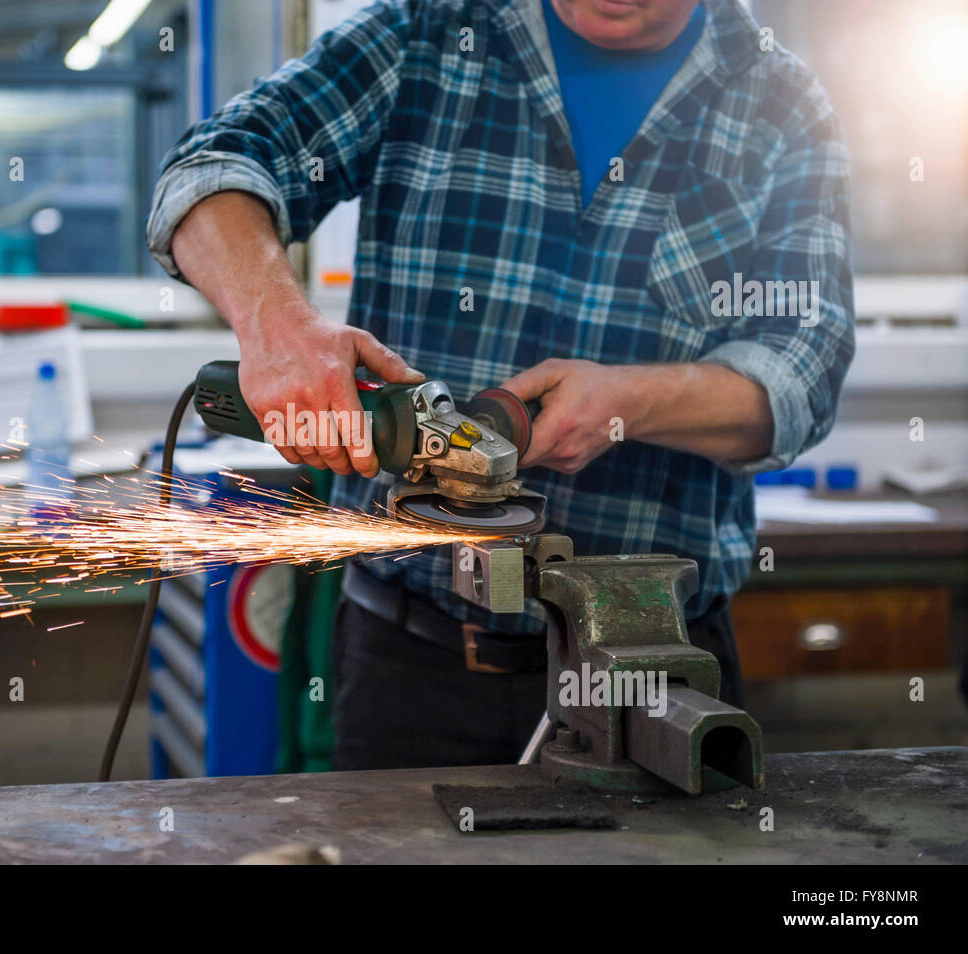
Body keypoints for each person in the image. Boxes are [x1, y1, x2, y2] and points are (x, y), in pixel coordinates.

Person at [146, 0, 854, 769]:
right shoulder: (427, 34)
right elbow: (210, 167)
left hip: (655, 671)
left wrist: (631, 403)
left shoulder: (780, 101)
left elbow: (805, 369)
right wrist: (278, 328)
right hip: (413, 668)